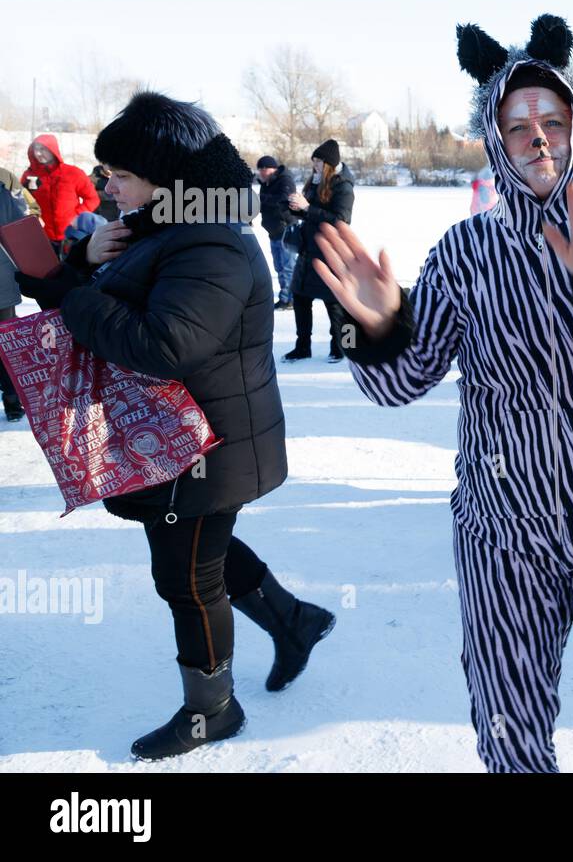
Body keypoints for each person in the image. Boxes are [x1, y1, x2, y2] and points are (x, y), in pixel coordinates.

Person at [316, 14, 573, 772]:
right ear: (495, 145)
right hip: (505, 529)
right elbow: (403, 383)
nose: (538, 138)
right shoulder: (467, 250)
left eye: (552, 121)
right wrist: (380, 330)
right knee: (508, 727)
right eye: (517, 127)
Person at [13, 92, 334, 760]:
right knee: (199, 556)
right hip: (177, 440)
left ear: (170, 182)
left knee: (187, 578)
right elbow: (94, 302)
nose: (107, 187)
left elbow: (162, 345)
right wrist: (83, 263)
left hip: (206, 446)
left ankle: (210, 710)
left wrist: (78, 288)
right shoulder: (157, 229)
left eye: (121, 175)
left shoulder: (209, 243)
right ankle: (294, 621)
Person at [284, 139, 354, 363]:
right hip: (308, 250)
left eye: (319, 162)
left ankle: (340, 348)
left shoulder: (343, 186)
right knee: (300, 298)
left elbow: (341, 220)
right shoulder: (315, 182)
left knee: (334, 303)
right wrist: (295, 207)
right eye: (313, 161)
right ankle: (302, 347)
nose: (315, 166)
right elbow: (310, 213)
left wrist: (308, 208)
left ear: (330, 164)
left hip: (330, 252)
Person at [21, 134, 99, 257]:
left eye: (43, 149)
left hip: (70, 235)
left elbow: (92, 198)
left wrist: (77, 216)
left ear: (53, 150)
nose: (39, 153)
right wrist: (32, 217)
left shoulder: (73, 173)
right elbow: (22, 201)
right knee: (47, 271)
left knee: (70, 270)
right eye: (36, 149)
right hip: (42, 236)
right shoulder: (29, 175)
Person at [0, 170, 28, 421]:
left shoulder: (2, 186)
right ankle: (12, 401)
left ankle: (12, 400)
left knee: (5, 342)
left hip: (1, 283)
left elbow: (19, 231)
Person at [256, 156, 298, 309]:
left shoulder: (285, 180)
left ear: (273, 169)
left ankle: (289, 299)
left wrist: (263, 200)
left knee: (288, 267)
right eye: (260, 169)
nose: (261, 172)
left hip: (286, 229)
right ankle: (285, 296)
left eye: (264, 169)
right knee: (279, 267)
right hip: (273, 230)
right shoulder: (265, 184)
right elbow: (262, 204)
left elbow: (284, 199)